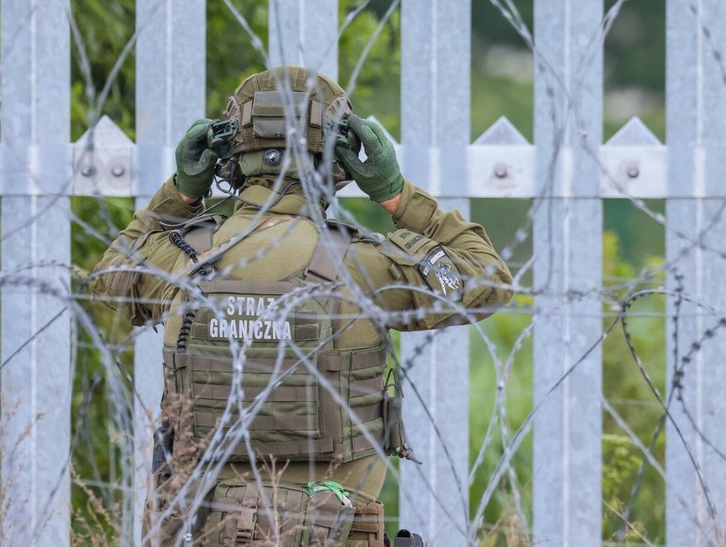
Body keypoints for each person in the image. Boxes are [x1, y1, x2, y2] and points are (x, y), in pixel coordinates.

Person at [91, 66, 513, 546]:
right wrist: (396, 195)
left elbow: (110, 277)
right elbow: (489, 279)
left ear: (231, 156)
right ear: (338, 159)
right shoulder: (367, 267)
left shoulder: (181, 261)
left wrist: (182, 194)